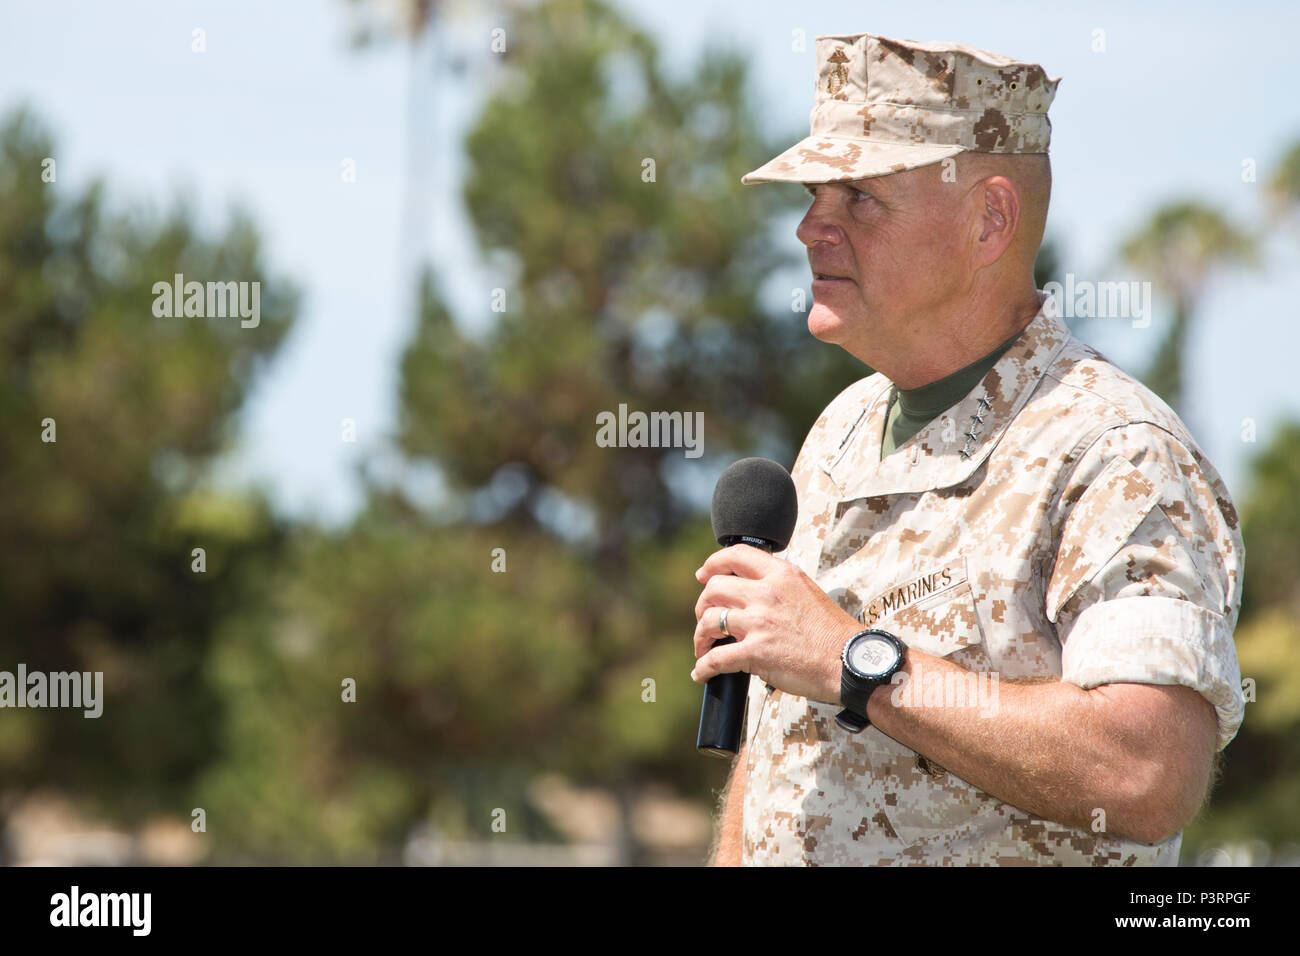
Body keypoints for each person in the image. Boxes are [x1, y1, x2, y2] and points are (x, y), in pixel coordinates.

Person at [689, 32, 1245, 866]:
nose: (809, 227)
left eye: (859, 197)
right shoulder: (839, 431)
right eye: (812, 194)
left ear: (989, 220)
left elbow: (1147, 770)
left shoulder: (1115, 450)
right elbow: (776, 758)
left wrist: (855, 662)